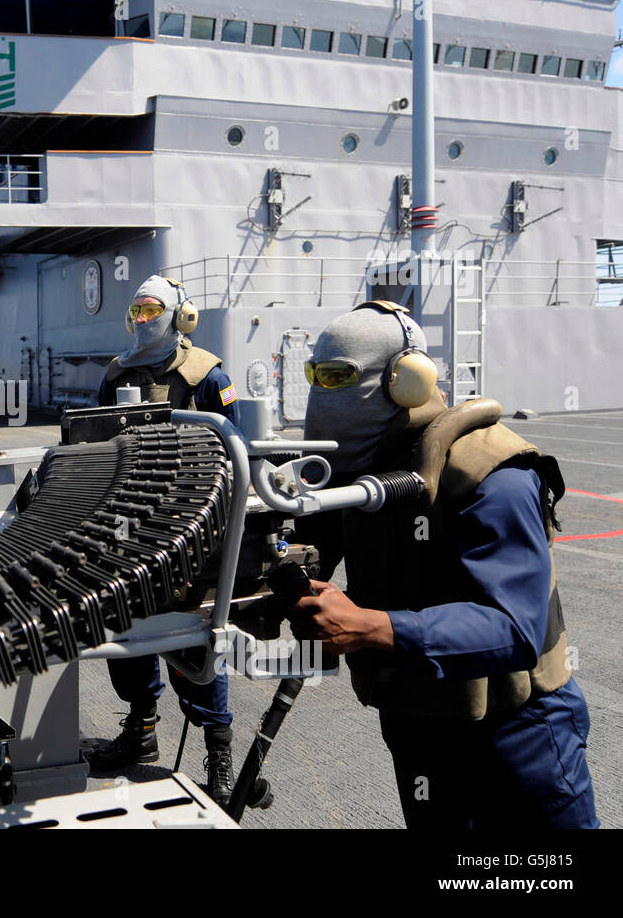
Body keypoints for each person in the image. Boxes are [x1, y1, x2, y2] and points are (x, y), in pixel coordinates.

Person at [293, 300, 597, 828]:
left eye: (340, 376)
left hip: (518, 727)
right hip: (417, 717)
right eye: (316, 376)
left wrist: (370, 626)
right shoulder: (358, 462)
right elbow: (304, 547)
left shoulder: (491, 469)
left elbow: (515, 627)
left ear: (407, 379)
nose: (325, 392)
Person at [87, 274, 241, 808]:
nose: (142, 318)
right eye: (137, 310)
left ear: (180, 315)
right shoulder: (117, 373)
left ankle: (218, 751)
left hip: (189, 525)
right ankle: (141, 729)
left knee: (195, 634)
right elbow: (97, 443)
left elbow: (233, 450)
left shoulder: (207, 374)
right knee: (128, 627)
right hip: (128, 525)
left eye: (153, 309)